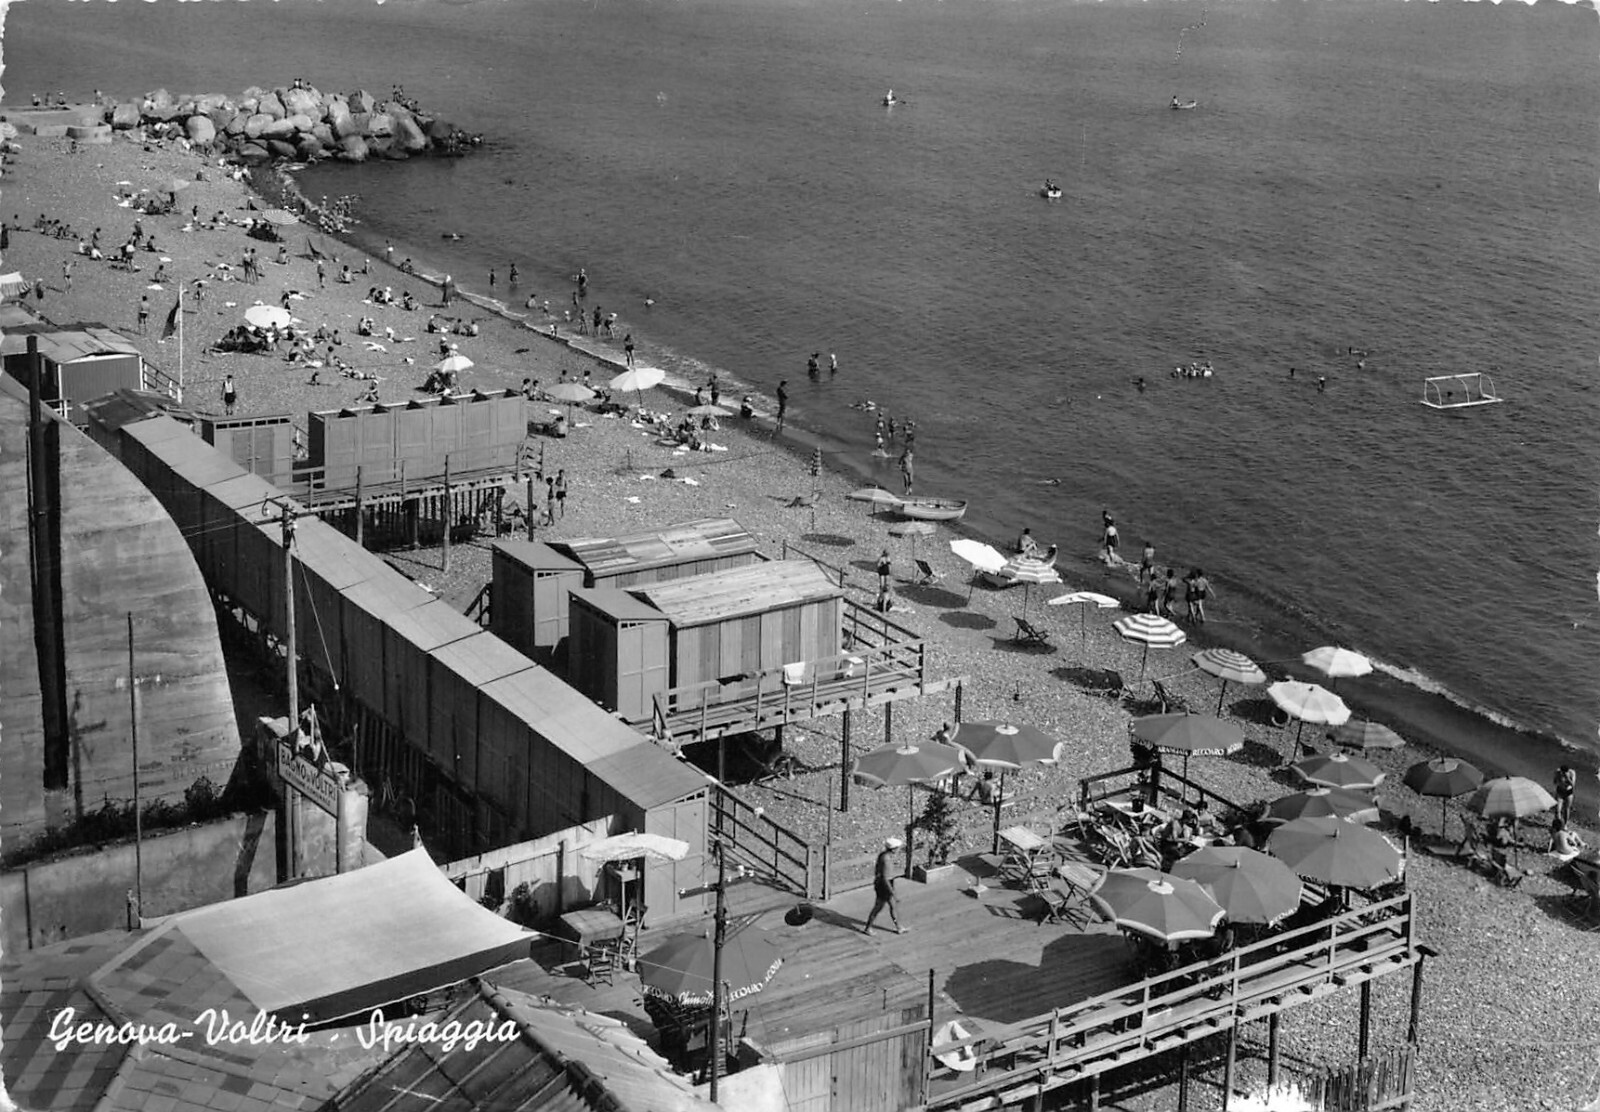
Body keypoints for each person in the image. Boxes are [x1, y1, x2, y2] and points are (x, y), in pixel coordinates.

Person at [863, 838, 905, 933]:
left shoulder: (884, 855)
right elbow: (885, 878)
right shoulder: (886, 860)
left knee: (892, 906)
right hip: (884, 885)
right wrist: (893, 893)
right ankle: (868, 927)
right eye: (898, 848)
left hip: (883, 882)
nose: (899, 850)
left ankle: (899, 927)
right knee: (878, 907)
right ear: (893, 849)